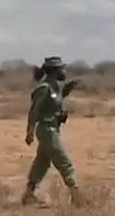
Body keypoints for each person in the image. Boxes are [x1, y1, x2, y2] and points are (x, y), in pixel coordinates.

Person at [22, 56, 84, 207]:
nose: (64, 71)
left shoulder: (55, 87)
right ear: (54, 71)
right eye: (62, 69)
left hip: (53, 129)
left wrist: (68, 88)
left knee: (42, 163)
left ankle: (29, 194)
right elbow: (34, 110)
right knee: (64, 161)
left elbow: (57, 99)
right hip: (47, 130)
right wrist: (30, 131)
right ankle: (76, 196)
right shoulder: (44, 88)